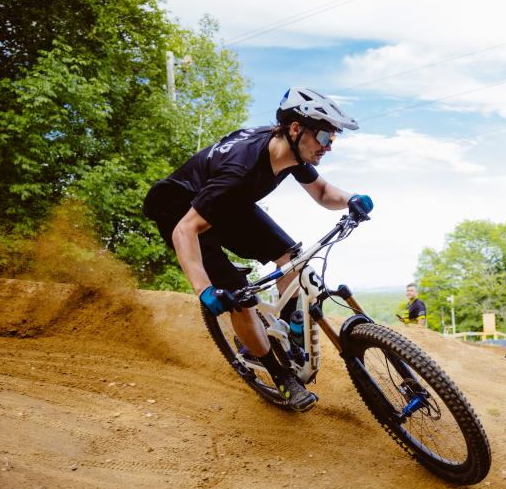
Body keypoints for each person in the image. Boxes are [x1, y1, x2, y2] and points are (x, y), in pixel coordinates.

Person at [142, 87, 374, 412]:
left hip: (227, 205)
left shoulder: (289, 152)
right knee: (240, 299)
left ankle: (293, 334)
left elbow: (321, 192)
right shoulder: (241, 170)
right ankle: (282, 377)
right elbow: (186, 230)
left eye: (332, 139)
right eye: (324, 136)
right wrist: (205, 291)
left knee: (292, 259)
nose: (328, 146)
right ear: (296, 129)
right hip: (182, 214)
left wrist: (350, 199)